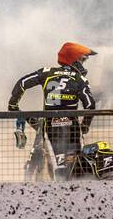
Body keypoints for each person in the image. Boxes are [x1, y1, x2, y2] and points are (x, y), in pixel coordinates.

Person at [7, 42, 99, 180]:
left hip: (49, 128)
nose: (83, 64)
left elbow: (22, 83)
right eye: (82, 60)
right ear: (74, 59)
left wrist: (13, 104)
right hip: (72, 129)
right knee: (74, 164)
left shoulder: (46, 72)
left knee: (55, 164)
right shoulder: (79, 79)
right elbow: (90, 105)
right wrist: (84, 126)